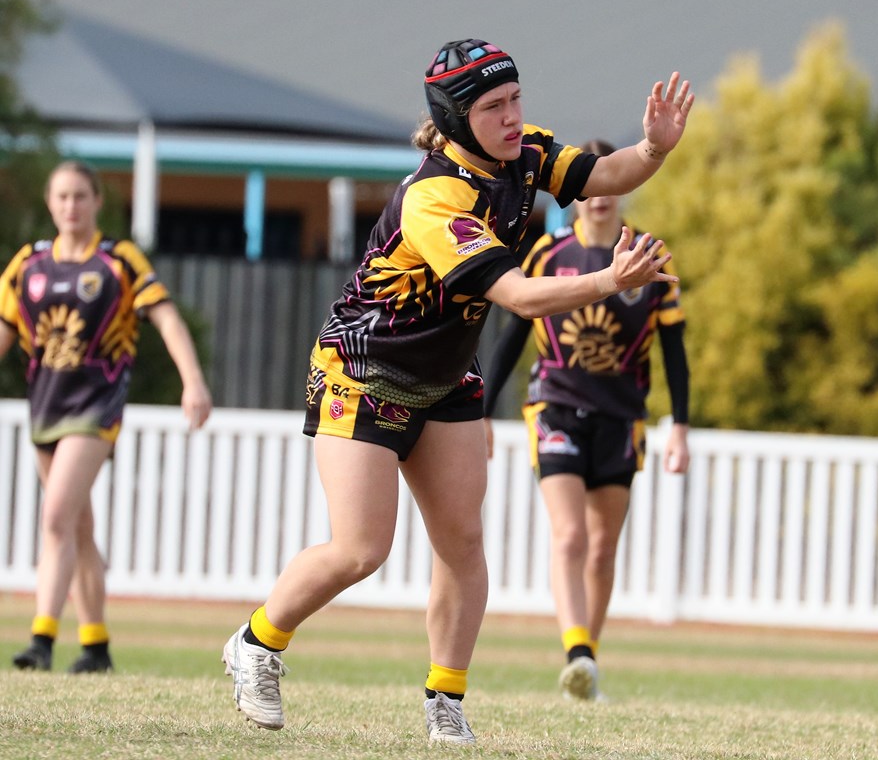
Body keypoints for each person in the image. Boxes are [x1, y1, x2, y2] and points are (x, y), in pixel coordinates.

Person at [220, 39, 693, 745]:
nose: (513, 117)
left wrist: (653, 149)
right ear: (453, 118)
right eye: (494, 106)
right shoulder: (435, 198)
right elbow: (520, 297)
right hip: (363, 369)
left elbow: (604, 173)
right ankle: (257, 643)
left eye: (516, 99)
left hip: (444, 378)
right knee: (361, 548)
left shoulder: (525, 153)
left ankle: (446, 701)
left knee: (463, 542)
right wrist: (607, 282)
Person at [481, 138, 690, 703]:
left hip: (622, 415)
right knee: (570, 534)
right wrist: (483, 411)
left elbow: (674, 347)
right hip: (555, 406)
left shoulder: (649, 256)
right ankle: (575, 649)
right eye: (588, 189)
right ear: (575, 196)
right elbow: (510, 338)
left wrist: (681, 428)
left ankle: (587, 662)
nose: (599, 198)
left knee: (602, 549)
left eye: (609, 186)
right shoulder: (547, 254)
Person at [0, 160, 213, 674]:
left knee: (55, 516)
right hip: (46, 404)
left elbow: (165, 317)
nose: (71, 206)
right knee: (77, 524)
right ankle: (95, 646)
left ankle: (42, 639)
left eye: (80, 196)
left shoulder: (117, 260)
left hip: (95, 407)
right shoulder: (28, 263)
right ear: (50, 204)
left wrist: (193, 381)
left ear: (97, 202)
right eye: (62, 197)